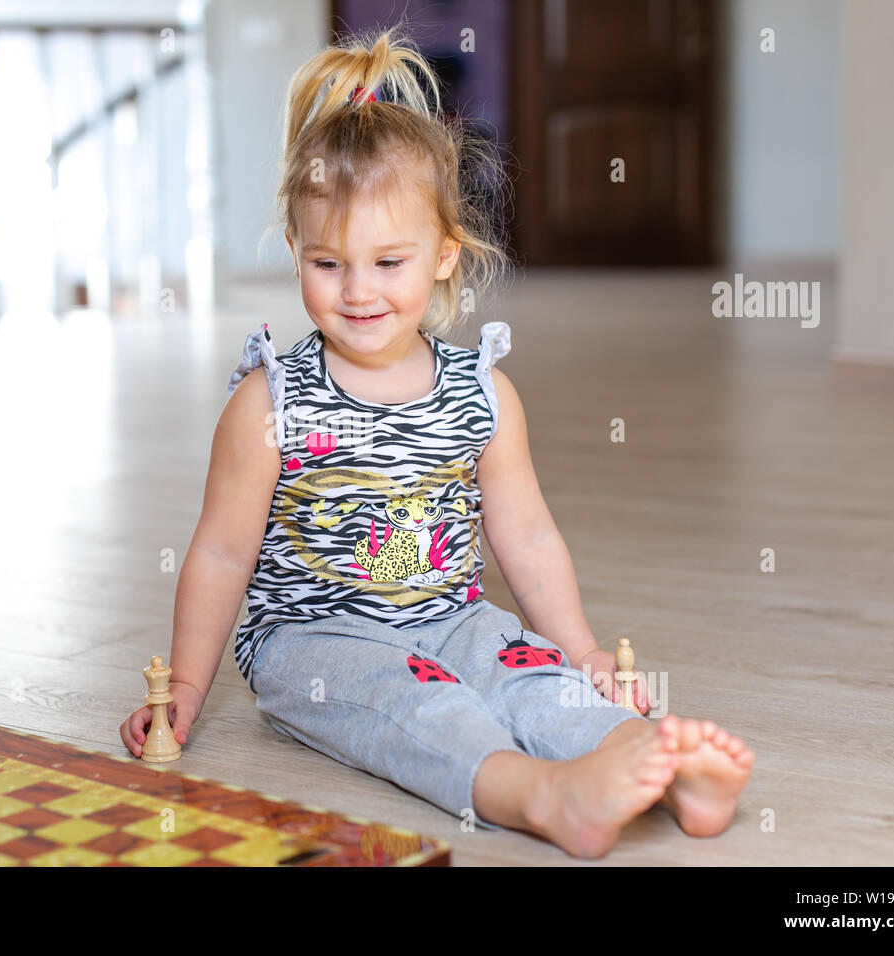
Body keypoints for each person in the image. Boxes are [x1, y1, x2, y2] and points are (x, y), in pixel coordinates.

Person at [121, 25, 753, 858]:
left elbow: (523, 534)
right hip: (318, 639)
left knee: (531, 675)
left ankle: (652, 761)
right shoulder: (267, 401)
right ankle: (541, 799)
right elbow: (219, 554)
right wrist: (190, 686)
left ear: (444, 255)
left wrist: (583, 648)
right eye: (327, 263)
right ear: (292, 253)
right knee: (425, 710)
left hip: (451, 615)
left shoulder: (482, 391)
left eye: (388, 262)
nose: (357, 291)